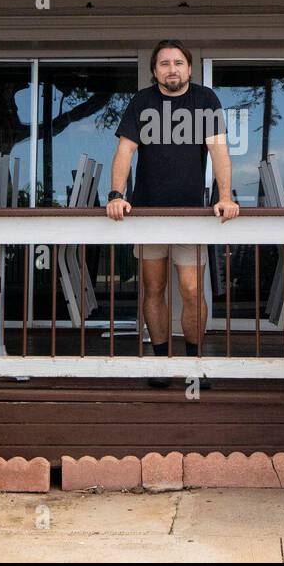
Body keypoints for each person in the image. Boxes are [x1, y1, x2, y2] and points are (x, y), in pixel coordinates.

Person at [107, 40, 239, 388]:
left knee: (193, 291)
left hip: (191, 215)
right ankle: (161, 361)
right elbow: (124, 151)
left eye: (178, 62)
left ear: (189, 69)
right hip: (148, 213)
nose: (172, 69)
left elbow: (219, 151)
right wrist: (116, 195)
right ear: (155, 71)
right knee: (153, 288)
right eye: (164, 63)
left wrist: (225, 196)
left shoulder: (205, 100)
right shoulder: (142, 102)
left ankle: (194, 362)